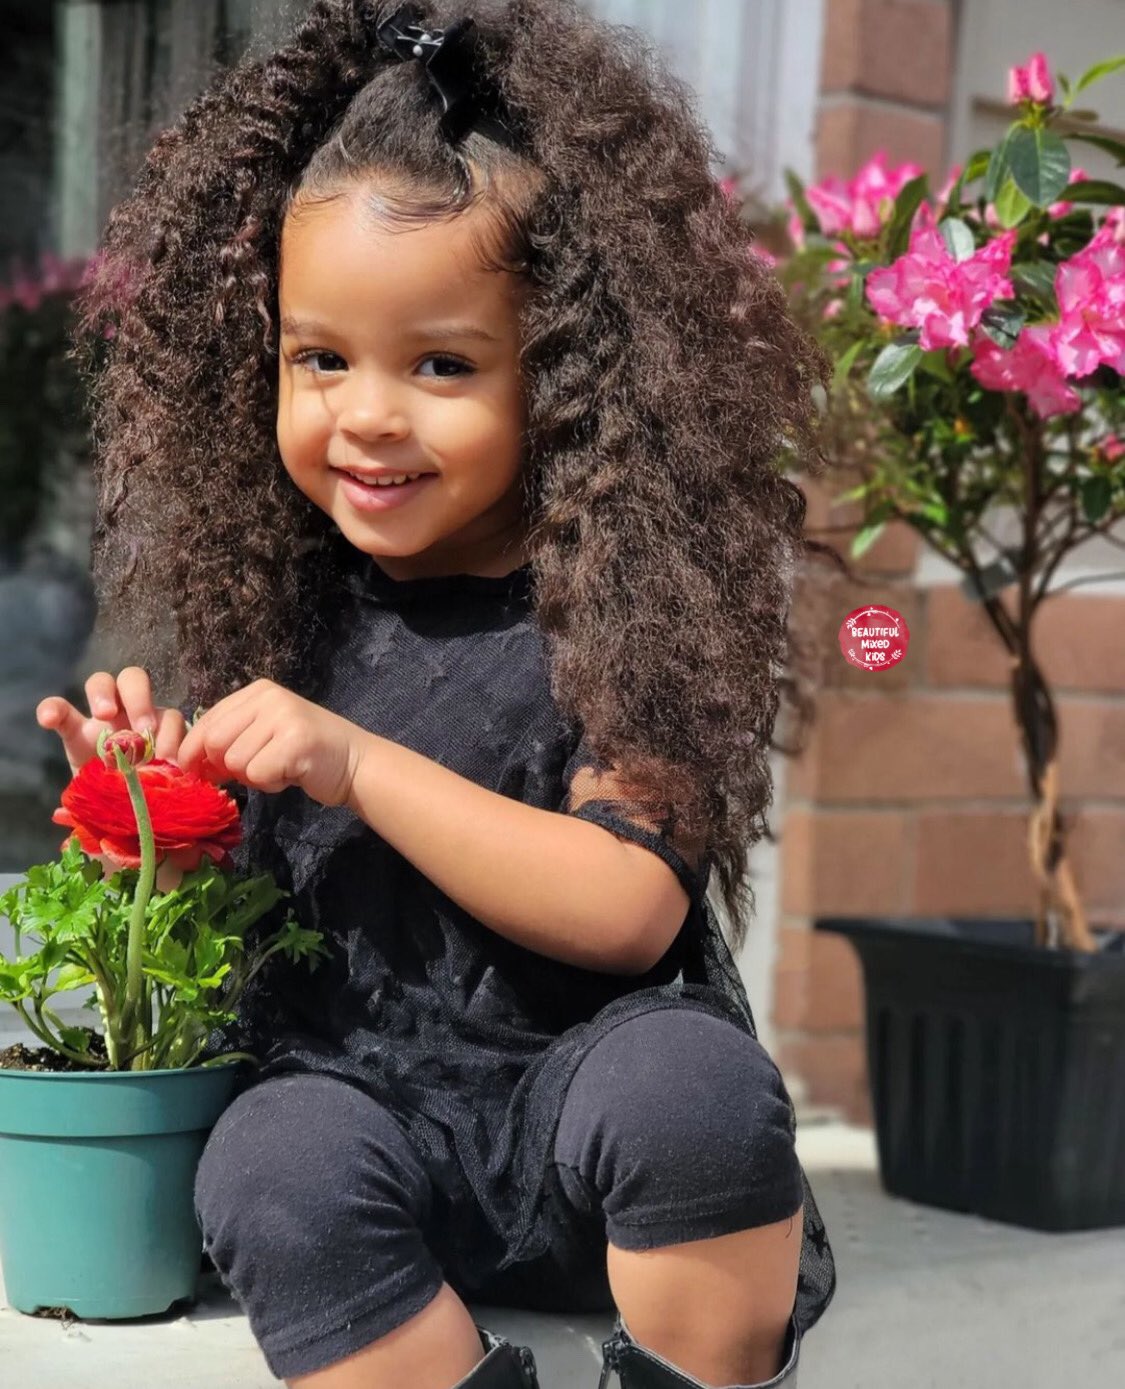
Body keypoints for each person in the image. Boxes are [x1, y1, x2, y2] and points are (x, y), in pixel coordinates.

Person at [39, 3, 837, 1386]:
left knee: (691, 1091)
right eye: (319, 357)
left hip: (586, 1129)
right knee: (267, 1162)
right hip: (367, 1117)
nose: (365, 413)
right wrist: (152, 803)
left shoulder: (630, 609)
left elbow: (625, 907)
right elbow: (257, 911)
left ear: (573, 381)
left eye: (444, 364)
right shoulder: (276, 602)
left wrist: (352, 759)